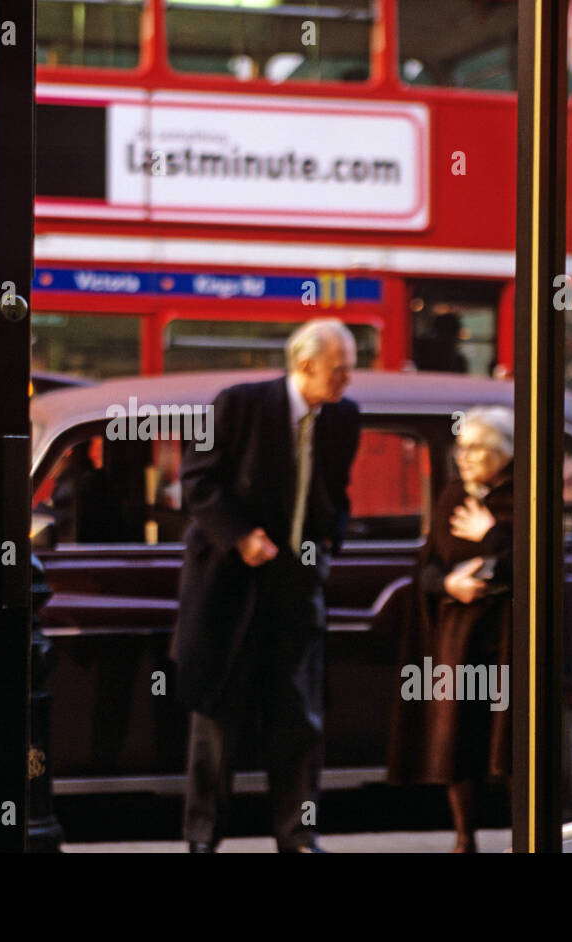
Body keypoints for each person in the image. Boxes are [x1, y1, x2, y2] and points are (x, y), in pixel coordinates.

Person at [170, 318, 360, 853]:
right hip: (230, 582)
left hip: (296, 584)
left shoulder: (344, 416)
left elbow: (335, 490)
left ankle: (298, 835)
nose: (348, 379)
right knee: (216, 721)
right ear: (304, 366)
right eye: (339, 370)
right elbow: (197, 480)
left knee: (300, 720)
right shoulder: (236, 403)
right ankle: (203, 837)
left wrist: (327, 543)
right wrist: (240, 537)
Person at [387, 406, 514, 853]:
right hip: (460, 636)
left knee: (511, 736)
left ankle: (527, 835)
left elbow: (532, 562)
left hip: (509, 635)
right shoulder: (452, 496)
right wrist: (450, 584)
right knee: (459, 734)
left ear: (504, 453)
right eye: (462, 449)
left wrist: (492, 533)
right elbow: (426, 569)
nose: (464, 458)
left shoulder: (521, 494)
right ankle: (464, 836)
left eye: (476, 449)